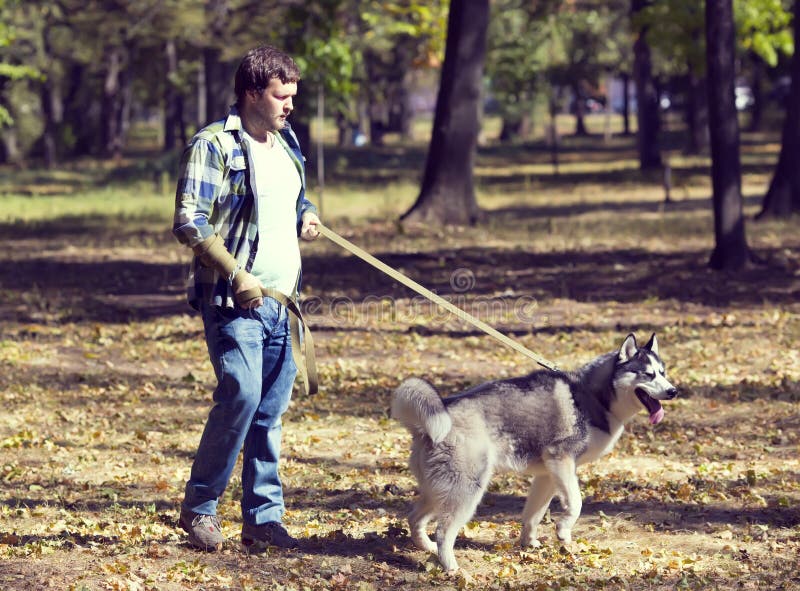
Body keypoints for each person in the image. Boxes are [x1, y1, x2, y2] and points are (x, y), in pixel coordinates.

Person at [172, 45, 320, 552]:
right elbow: (190, 220)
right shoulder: (214, 145)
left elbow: (296, 196)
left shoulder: (287, 141)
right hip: (234, 303)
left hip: (285, 301)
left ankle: (263, 519)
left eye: (293, 95)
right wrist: (236, 274)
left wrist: (307, 214)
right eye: (281, 96)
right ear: (253, 93)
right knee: (241, 395)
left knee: (270, 412)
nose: (290, 105)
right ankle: (200, 508)